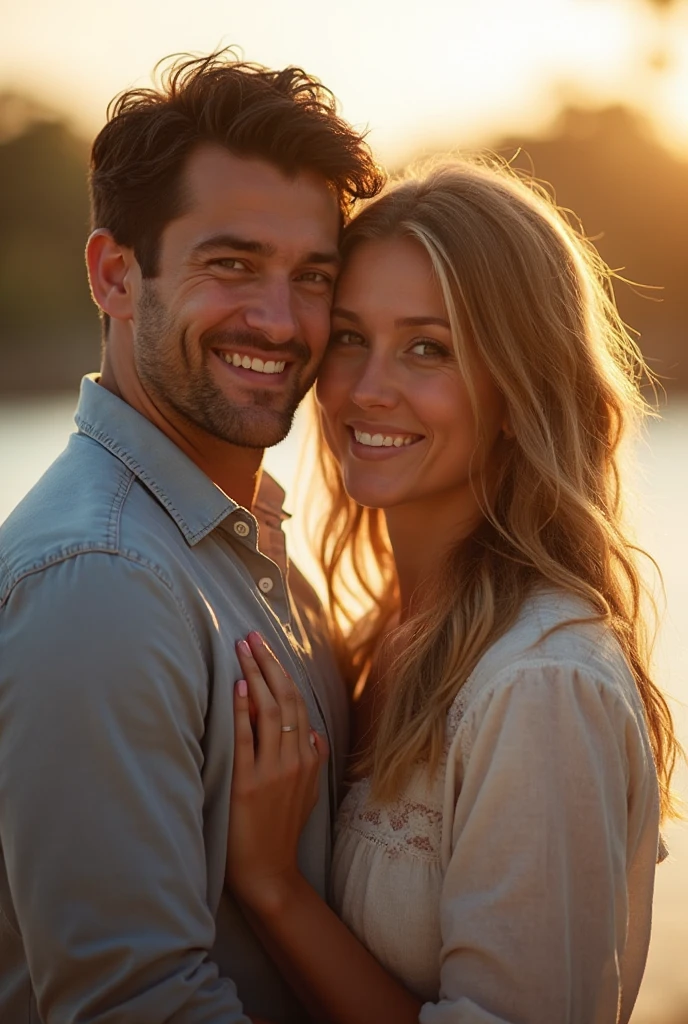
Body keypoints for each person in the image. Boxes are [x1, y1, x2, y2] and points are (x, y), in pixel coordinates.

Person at [223, 158, 681, 1024]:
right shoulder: (372, 638)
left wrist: (276, 889)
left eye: (428, 348)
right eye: (350, 336)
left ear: (517, 388)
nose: (365, 389)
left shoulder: (541, 682)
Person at [0, 51, 383, 1024]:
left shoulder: (237, 540)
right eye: (231, 264)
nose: (278, 319)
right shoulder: (104, 579)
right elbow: (140, 1005)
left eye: (312, 277)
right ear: (114, 274)